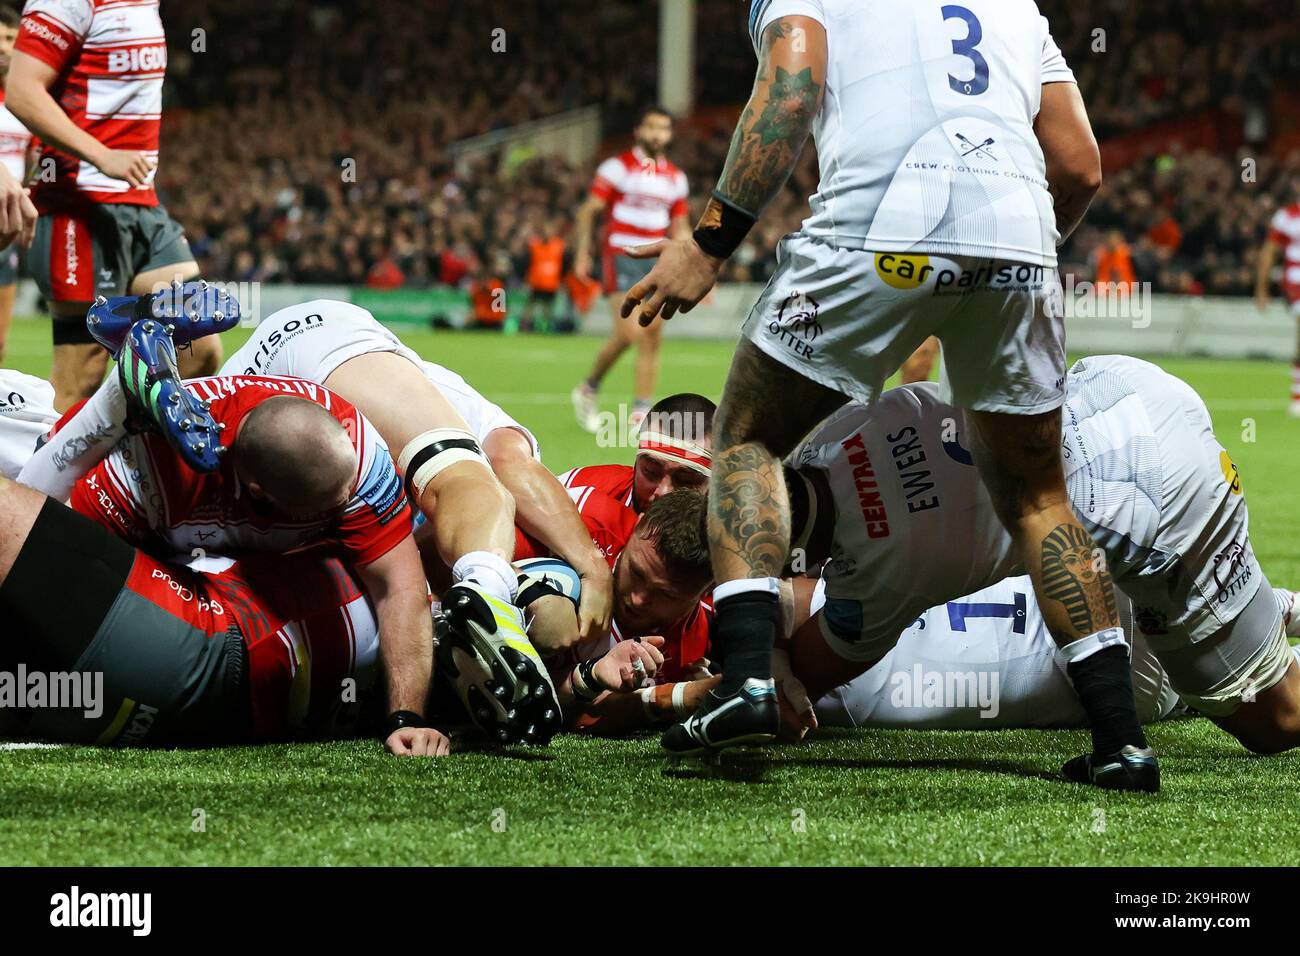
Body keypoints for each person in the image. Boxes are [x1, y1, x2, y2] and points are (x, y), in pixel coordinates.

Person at [618, 1, 1151, 789]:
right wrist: (1007, 262)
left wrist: (709, 240)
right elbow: (1078, 167)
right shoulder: (1013, 6)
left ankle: (747, 684)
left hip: (882, 218)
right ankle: (1123, 743)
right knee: (1040, 498)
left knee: (750, 441)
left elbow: (791, 85)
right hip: (1020, 234)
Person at [779, 354, 1300, 760]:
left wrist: (708, 688)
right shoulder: (836, 430)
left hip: (1136, 506)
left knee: (1278, 720)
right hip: (1120, 394)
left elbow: (783, 690)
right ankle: (1270, 609)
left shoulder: (880, 578)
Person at [8, 0, 221, 411]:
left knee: (200, 349)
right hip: (79, 205)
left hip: (141, 203)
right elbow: (21, 91)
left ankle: (124, 450)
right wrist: (102, 155)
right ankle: (43, 472)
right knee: (79, 380)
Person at [570, 105, 689, 433]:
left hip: (658, 259)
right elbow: (588, 211)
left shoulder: (676, 178)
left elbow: (680, 226)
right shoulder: (617, 167)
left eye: (663, 129)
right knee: (628, 332)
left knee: (652, 335)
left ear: (669, 135)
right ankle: (589, 387)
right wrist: (582, 254)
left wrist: (697, 266)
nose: (657, 134)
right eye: (651, 127)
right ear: (638, 130)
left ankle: (641, 414)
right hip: (620, 254)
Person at [558, 392, 715, 512]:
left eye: (684, 480)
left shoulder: (735, 537)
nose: (662, 492)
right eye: (650, 471)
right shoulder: (580, 492)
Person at [0, 4, 33, 366]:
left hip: (6, 228)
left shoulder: (28, 101)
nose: (3, 46)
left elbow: (36, 164)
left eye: (10, 38)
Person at [1253, 178, 1300, 417]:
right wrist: (1261, 288)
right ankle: (1297, 395)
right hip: (1295, 282)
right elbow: (1269, 251)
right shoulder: (1286, 217)